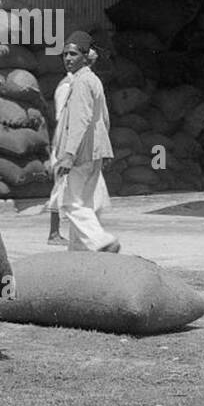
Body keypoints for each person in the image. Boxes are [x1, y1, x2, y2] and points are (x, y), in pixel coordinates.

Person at [52, 31, 119, 253]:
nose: (67, 59)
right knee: (85, 202)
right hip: (94, 150)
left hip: (81, 153)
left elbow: (80, 121)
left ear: (85, 56)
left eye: (73, 54)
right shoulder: (94, 80)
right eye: (64, 55)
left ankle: (101, 241)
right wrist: (105, 149)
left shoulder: (81, 83)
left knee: (73, 204)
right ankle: (78, 256)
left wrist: (69, 154)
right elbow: (104, 118)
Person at [46, 45, 100, 244]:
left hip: (76, 143)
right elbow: (64, 118)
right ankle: (54, 233)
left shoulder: (82, 82)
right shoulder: (68, 86)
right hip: (66, 142)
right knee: (62, 187)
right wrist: (66, 150)